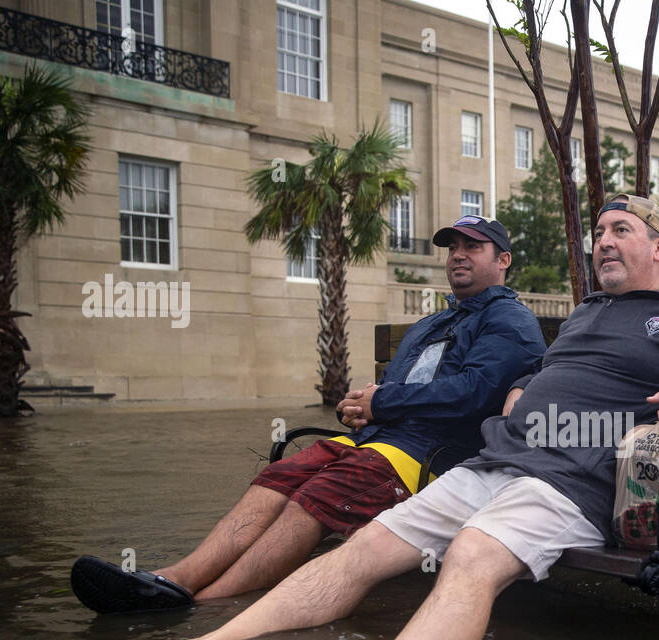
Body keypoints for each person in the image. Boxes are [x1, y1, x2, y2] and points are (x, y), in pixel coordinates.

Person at [110, 194, 659, 640]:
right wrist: (528, 383)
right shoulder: (585, 315)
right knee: (363, 549)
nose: (603, 239)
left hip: (574, 483)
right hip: (496, 463)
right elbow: (559, 370)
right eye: (598, 230)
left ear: (657, 247)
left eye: (621, 229)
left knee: (473, 556)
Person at [72, 216, 544, 613]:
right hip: (377, 443)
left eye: (473, 247)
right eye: (453, 247)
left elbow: (473, 395)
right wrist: (359, 408)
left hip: (434, 458)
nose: (458, 255)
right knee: (281, 475)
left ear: (502, 260)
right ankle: (173, 578)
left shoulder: (508, 320)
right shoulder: (431, 324)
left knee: (320, 491)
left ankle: (203, 607)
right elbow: (395, 390)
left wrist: (382, 403)